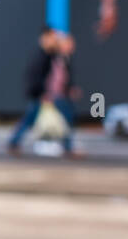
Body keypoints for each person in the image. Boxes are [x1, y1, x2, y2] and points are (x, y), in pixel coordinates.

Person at [7, 28, 83, 157]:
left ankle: (14, 142)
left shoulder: (57, 57)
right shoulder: (45, 56)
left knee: (33, 119)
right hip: (48, 95)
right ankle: (68, 147)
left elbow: (63, 78)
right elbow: (41, 77)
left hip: (52, 95)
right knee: (61, 119)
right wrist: (42, 92)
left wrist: (69, 89)